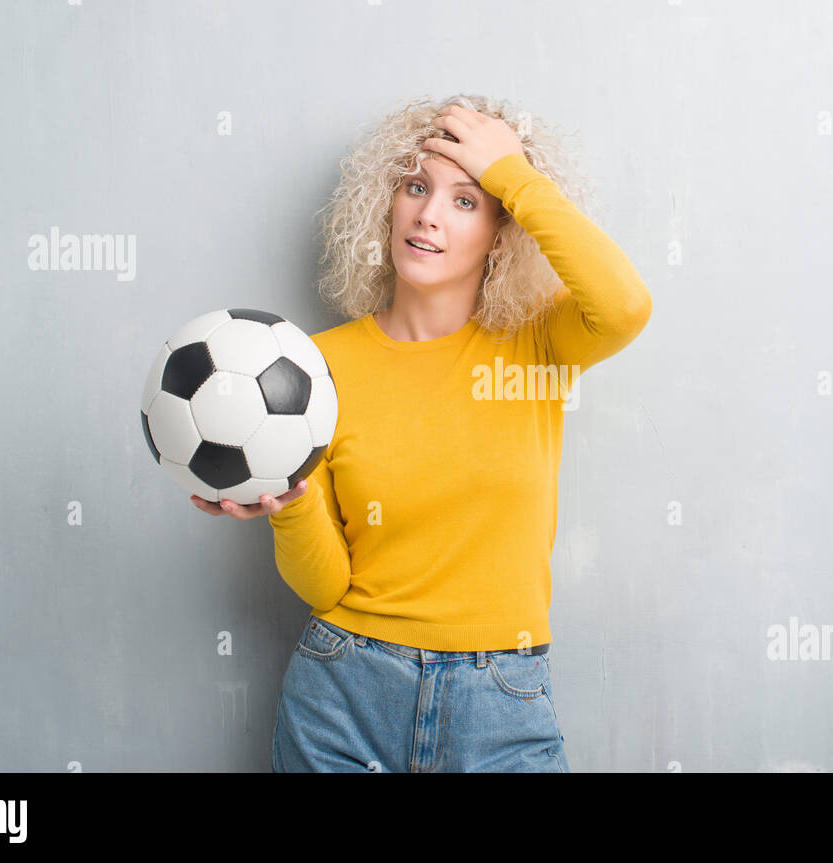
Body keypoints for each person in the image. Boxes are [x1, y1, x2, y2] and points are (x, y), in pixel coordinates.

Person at [191, 94, 652, 772]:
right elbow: (327, 585)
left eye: (467, 200)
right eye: (415, 186)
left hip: (501, 702)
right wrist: (288, 505)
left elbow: (626, 305)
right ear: (388, 200)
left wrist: (513, 174)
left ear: (502, 228)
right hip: (343, 692)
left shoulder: (539, 344)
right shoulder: (311, 369)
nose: (429, 214)